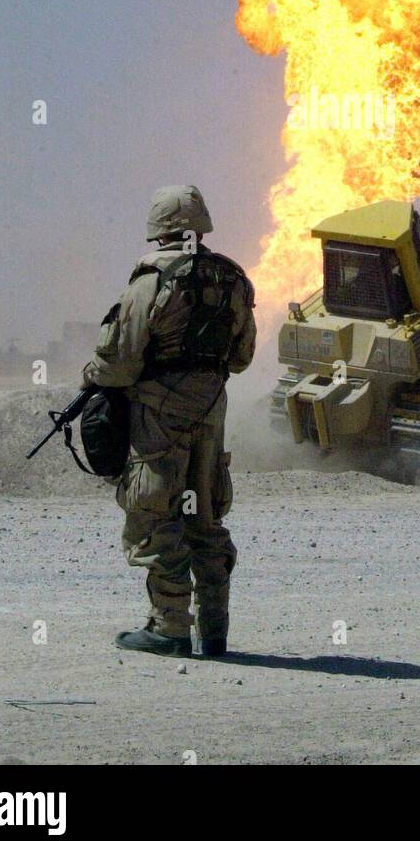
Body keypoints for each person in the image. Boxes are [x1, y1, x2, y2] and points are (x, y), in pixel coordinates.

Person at [82, 184, 256, 658]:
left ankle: (170, 628)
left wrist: (90, 378)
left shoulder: (150, 281)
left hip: (159, 415)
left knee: (156, 514)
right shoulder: (234, 280)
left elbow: (118, 362)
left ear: (158, 228)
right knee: (204, 514)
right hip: (211, 411)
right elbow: (242, 358)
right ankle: (214, 629)